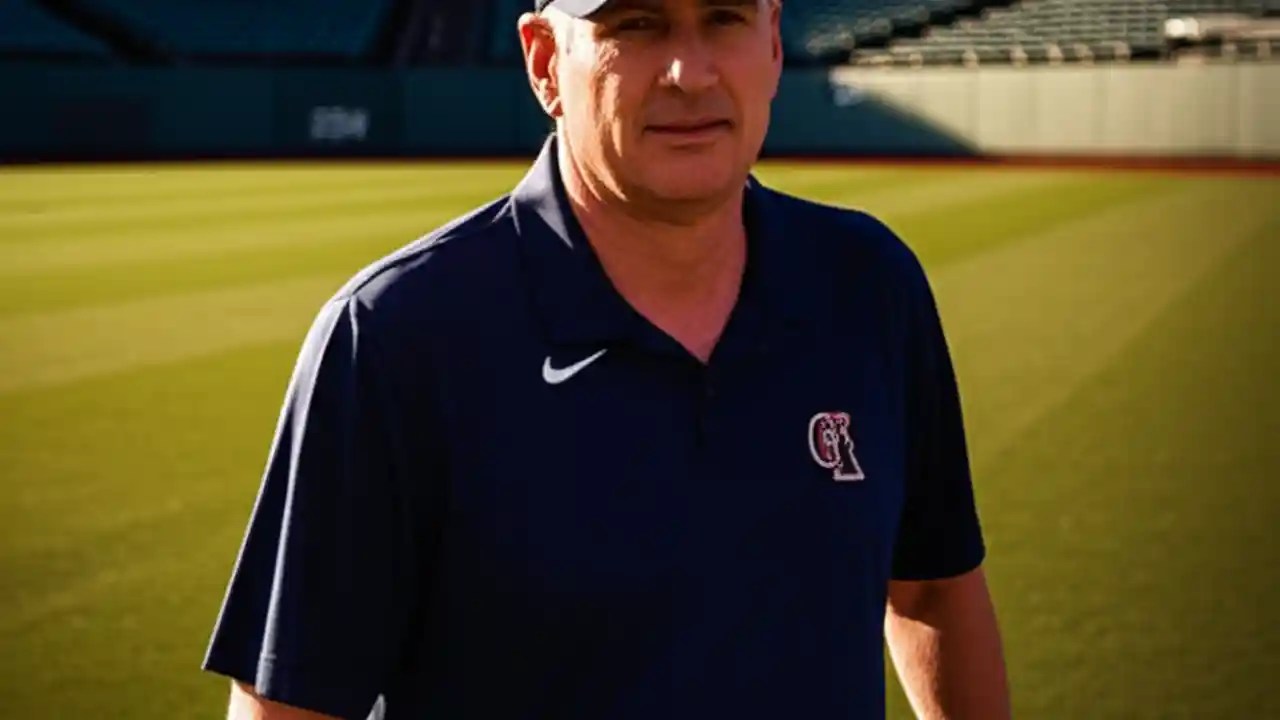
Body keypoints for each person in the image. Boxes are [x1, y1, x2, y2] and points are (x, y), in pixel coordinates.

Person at [201, 0, 1011, 718]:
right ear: (546, 63)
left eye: (723, 17)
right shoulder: (392, 335)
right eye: (636, 24)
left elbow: (933, 586)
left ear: (772, 41)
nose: (689, 73)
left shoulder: (869, 284)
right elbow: (291, 705)